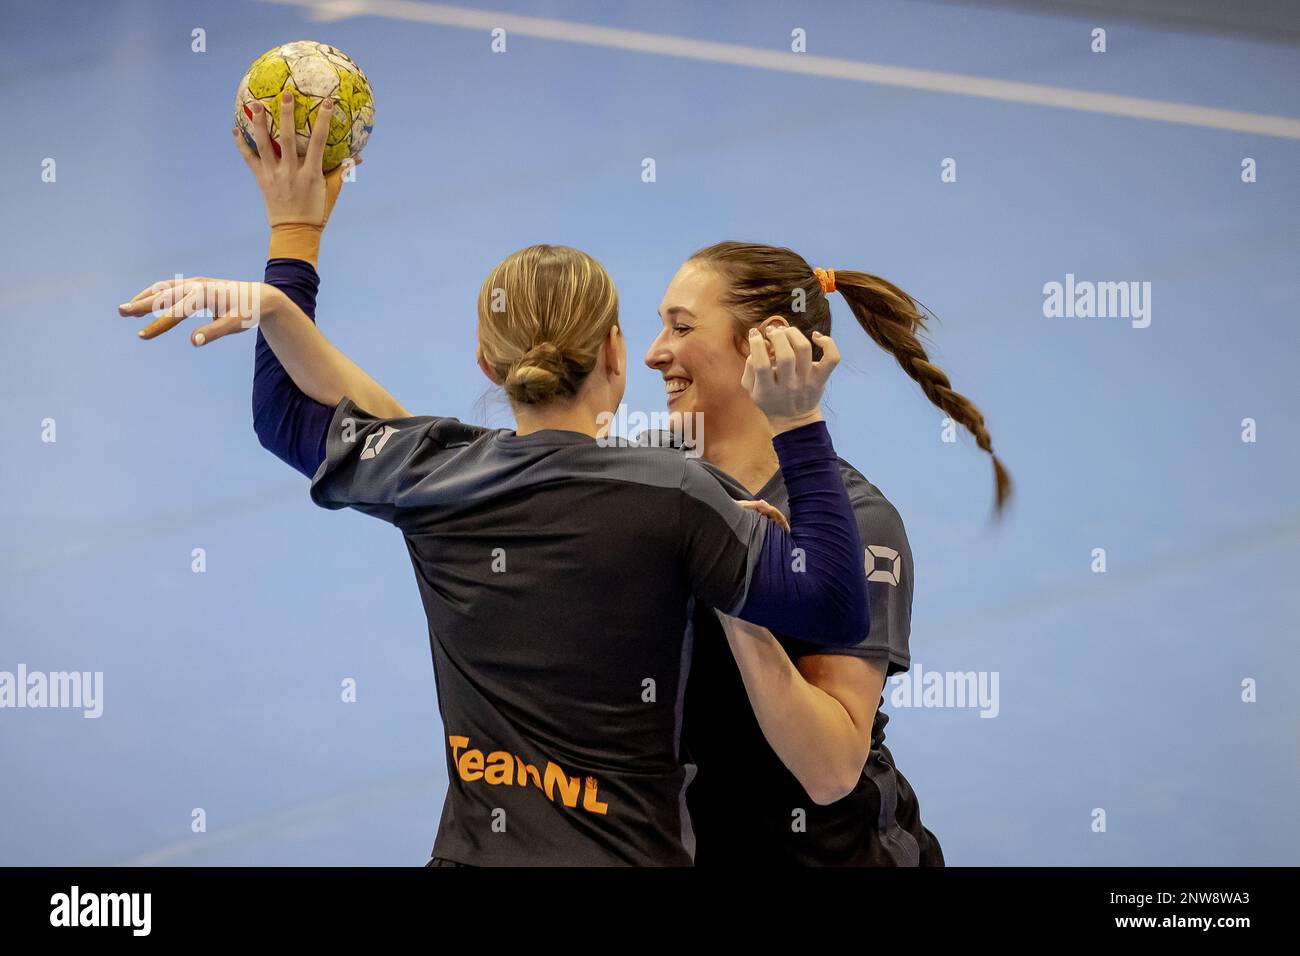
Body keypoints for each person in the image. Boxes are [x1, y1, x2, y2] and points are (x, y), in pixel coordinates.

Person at [116, 93, 870, 866]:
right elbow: (838, 609)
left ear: (488, 364)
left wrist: (290, 255)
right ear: (613, 355)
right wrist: (800, 425)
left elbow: (289, 419)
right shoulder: (679, 495)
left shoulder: (436, 475)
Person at [645, 242, 1012, 865]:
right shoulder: (652, 469)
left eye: (681, 327)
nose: (656, 352)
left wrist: (739, 591)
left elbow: (831, 770)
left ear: (768, 341)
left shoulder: (862, 522)